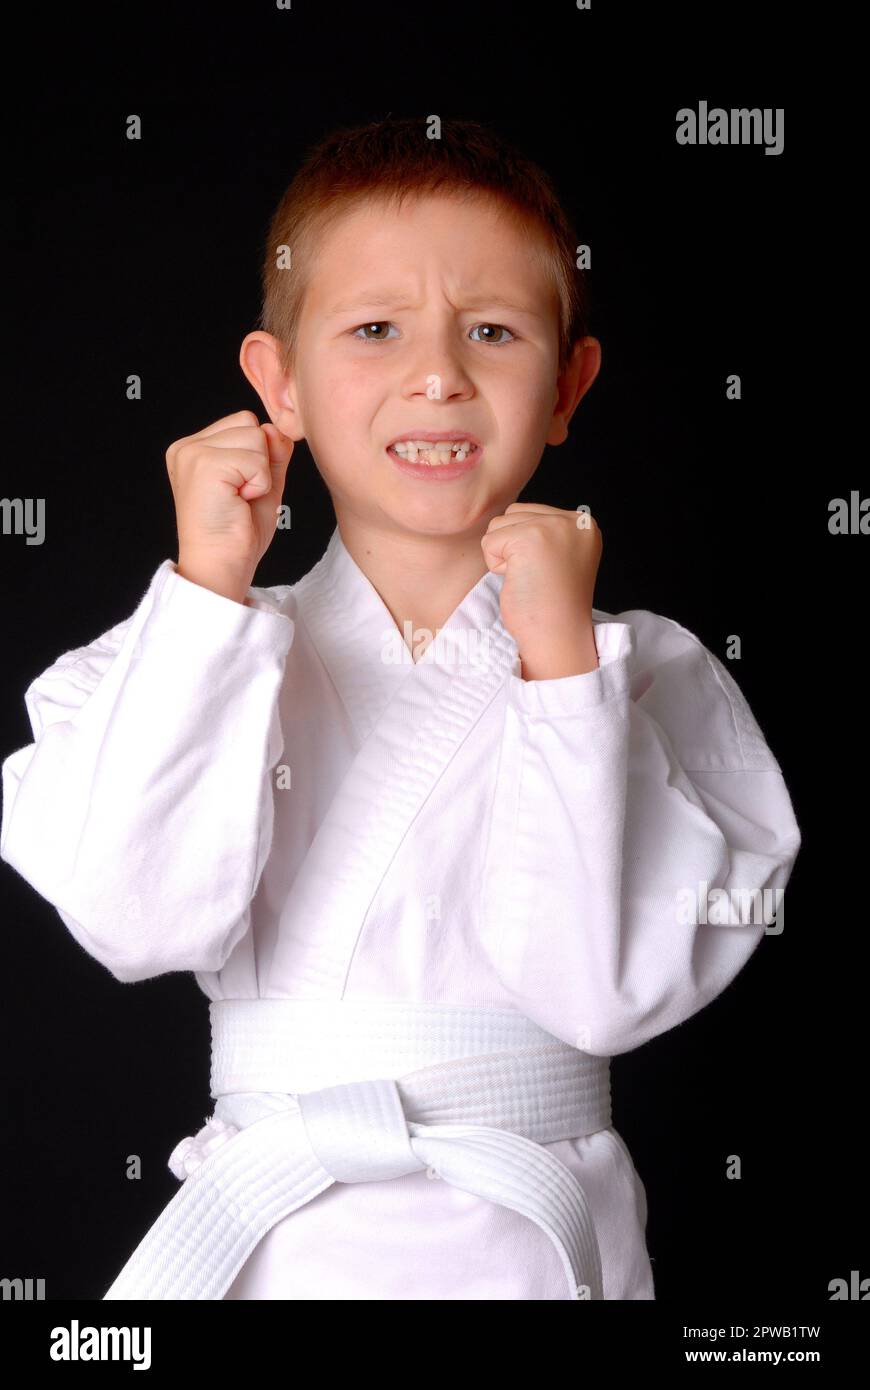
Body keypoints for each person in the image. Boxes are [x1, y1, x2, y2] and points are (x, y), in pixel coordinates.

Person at [0, 116, 802, 1300]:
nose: (439, 374)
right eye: (375, 330)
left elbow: (601, 992)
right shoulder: (186, 654)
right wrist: (206, 592)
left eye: (492, 329)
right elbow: (134, 919)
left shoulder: (648, 678)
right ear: (281, 384)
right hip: (275, 1241)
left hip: (534, 1236)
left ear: (569, 383)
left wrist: (563, 675)